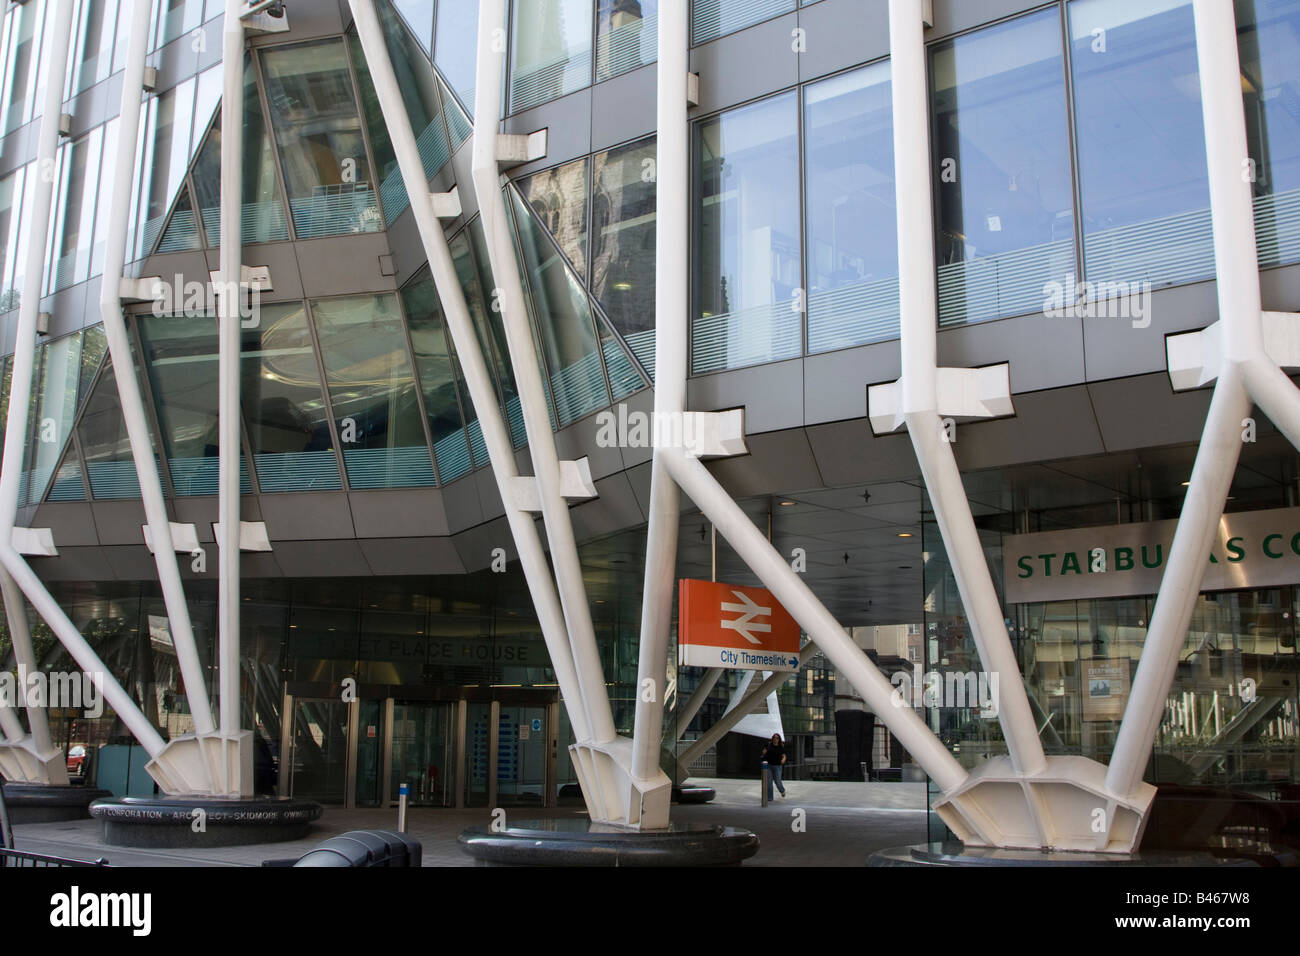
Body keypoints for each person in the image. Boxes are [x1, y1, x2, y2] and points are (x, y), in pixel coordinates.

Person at [760, 733, 787, 800]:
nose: (775, 739)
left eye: (777, 738)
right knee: (769, 782)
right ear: (772, 738)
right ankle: (769, 797)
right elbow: (764, 752)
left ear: (779, 739)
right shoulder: (768, 745)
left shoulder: (781, 746)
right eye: (774, 737)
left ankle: (782, 790)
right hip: (769, 765)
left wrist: (783, 760)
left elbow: (784, 755)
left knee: (778, 781)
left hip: (777, 766)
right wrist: (764, 752)